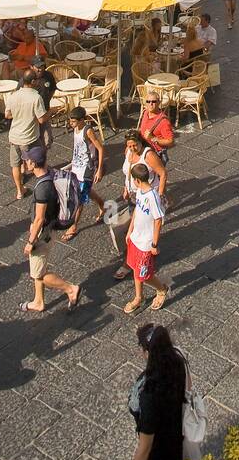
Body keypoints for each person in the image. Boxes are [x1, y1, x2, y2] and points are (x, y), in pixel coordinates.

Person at [19, 145, 81, 314]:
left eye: (26, 160)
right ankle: (38, 301)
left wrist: (30, 242)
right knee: (38, 267)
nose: (24, 162)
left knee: (38, 275)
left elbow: (39, 218)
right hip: (50, 229)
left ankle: (70, 289)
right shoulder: (50, 174)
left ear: (33, 164)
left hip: (42, 234)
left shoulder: (42, 188)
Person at [128, 323, 186, 460]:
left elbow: (145, 448)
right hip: (176, 440)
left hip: (157, 454)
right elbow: (188, 389)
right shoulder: (178, 361)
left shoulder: (150, 395)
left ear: (148, 353)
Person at [113, 131, 167, 280]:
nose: (132, 148)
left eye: (134, 145)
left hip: (148, 197)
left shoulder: (148, 155)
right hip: (134, 195)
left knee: (138, 229)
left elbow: (162, 173)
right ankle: (140, 255)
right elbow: (127, 172)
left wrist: (159, 196)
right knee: (136, 229)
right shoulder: (128, 151)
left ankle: (134, 261)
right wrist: (126, 188)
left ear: (140, 142)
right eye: (129, 145)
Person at [123, 165, 169, 315]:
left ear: (137, 180)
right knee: (137, 269)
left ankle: (161, 289)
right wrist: (130, 231)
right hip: (136, 238)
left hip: (146, 243)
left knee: (145, 274)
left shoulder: (152, 196)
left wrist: (154, 244)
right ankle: (139, 297)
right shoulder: (140, 192)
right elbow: (137, 210)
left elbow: (158, 220)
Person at [62, 108, 106, 240]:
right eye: (71, 121)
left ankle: (73, 226)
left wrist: (99, 169)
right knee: (85, 191)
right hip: (77, 166)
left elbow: (100, 148)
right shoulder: (76, 129)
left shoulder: (88, 131)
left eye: (74, 121)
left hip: (87, 168)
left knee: (79, 198)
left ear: (82, 120)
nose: (71, 123)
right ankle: (102, 205)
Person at [4, 74, 48, 200]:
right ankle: (43, 186)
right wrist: (51, 112)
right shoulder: (36, 97)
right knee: (39, 161)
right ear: (33, 81)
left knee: (15, 165)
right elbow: (41, 119)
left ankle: (19, 191)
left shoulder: (13, 95)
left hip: (14, 136)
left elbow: (7, 115)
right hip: (29, 137)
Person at [140, 91, 175, 161]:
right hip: (143, 149)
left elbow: (171, 141)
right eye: (148, 101)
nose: (150, 104)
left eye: (154, 101)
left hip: (155, 154)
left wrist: (152, 138)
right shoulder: (146, 112)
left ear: (159, 102)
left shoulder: (163, 121)